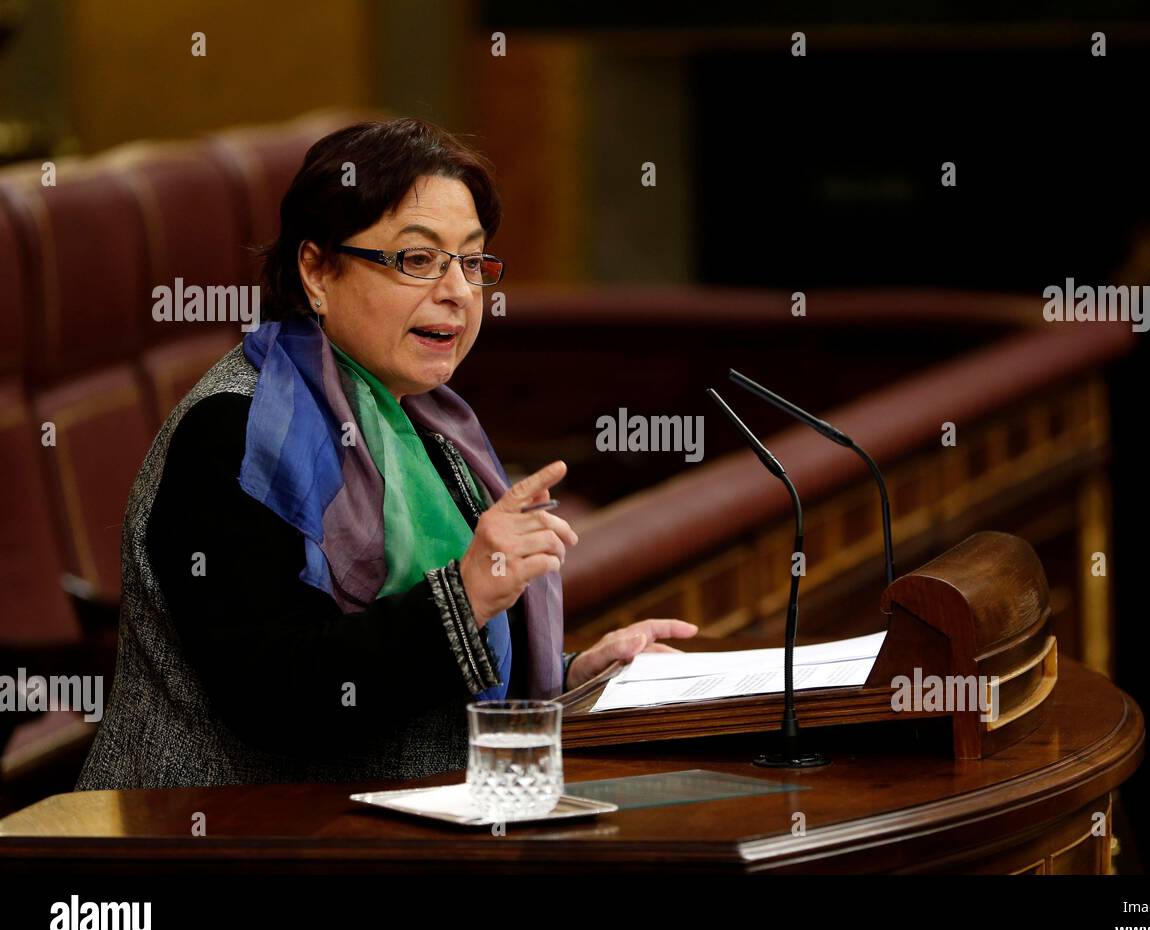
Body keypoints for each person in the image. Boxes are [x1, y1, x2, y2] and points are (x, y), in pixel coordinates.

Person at [76, 118, 697, 789]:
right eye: (417, 259)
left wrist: (576, 677)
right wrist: (464, 595)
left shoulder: (426, 420)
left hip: (387, 824)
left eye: (471, 260)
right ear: (316, 269)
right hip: (215, 840)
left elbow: (442, 651)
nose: (458, 290)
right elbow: (273, 696)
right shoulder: (238, 430)